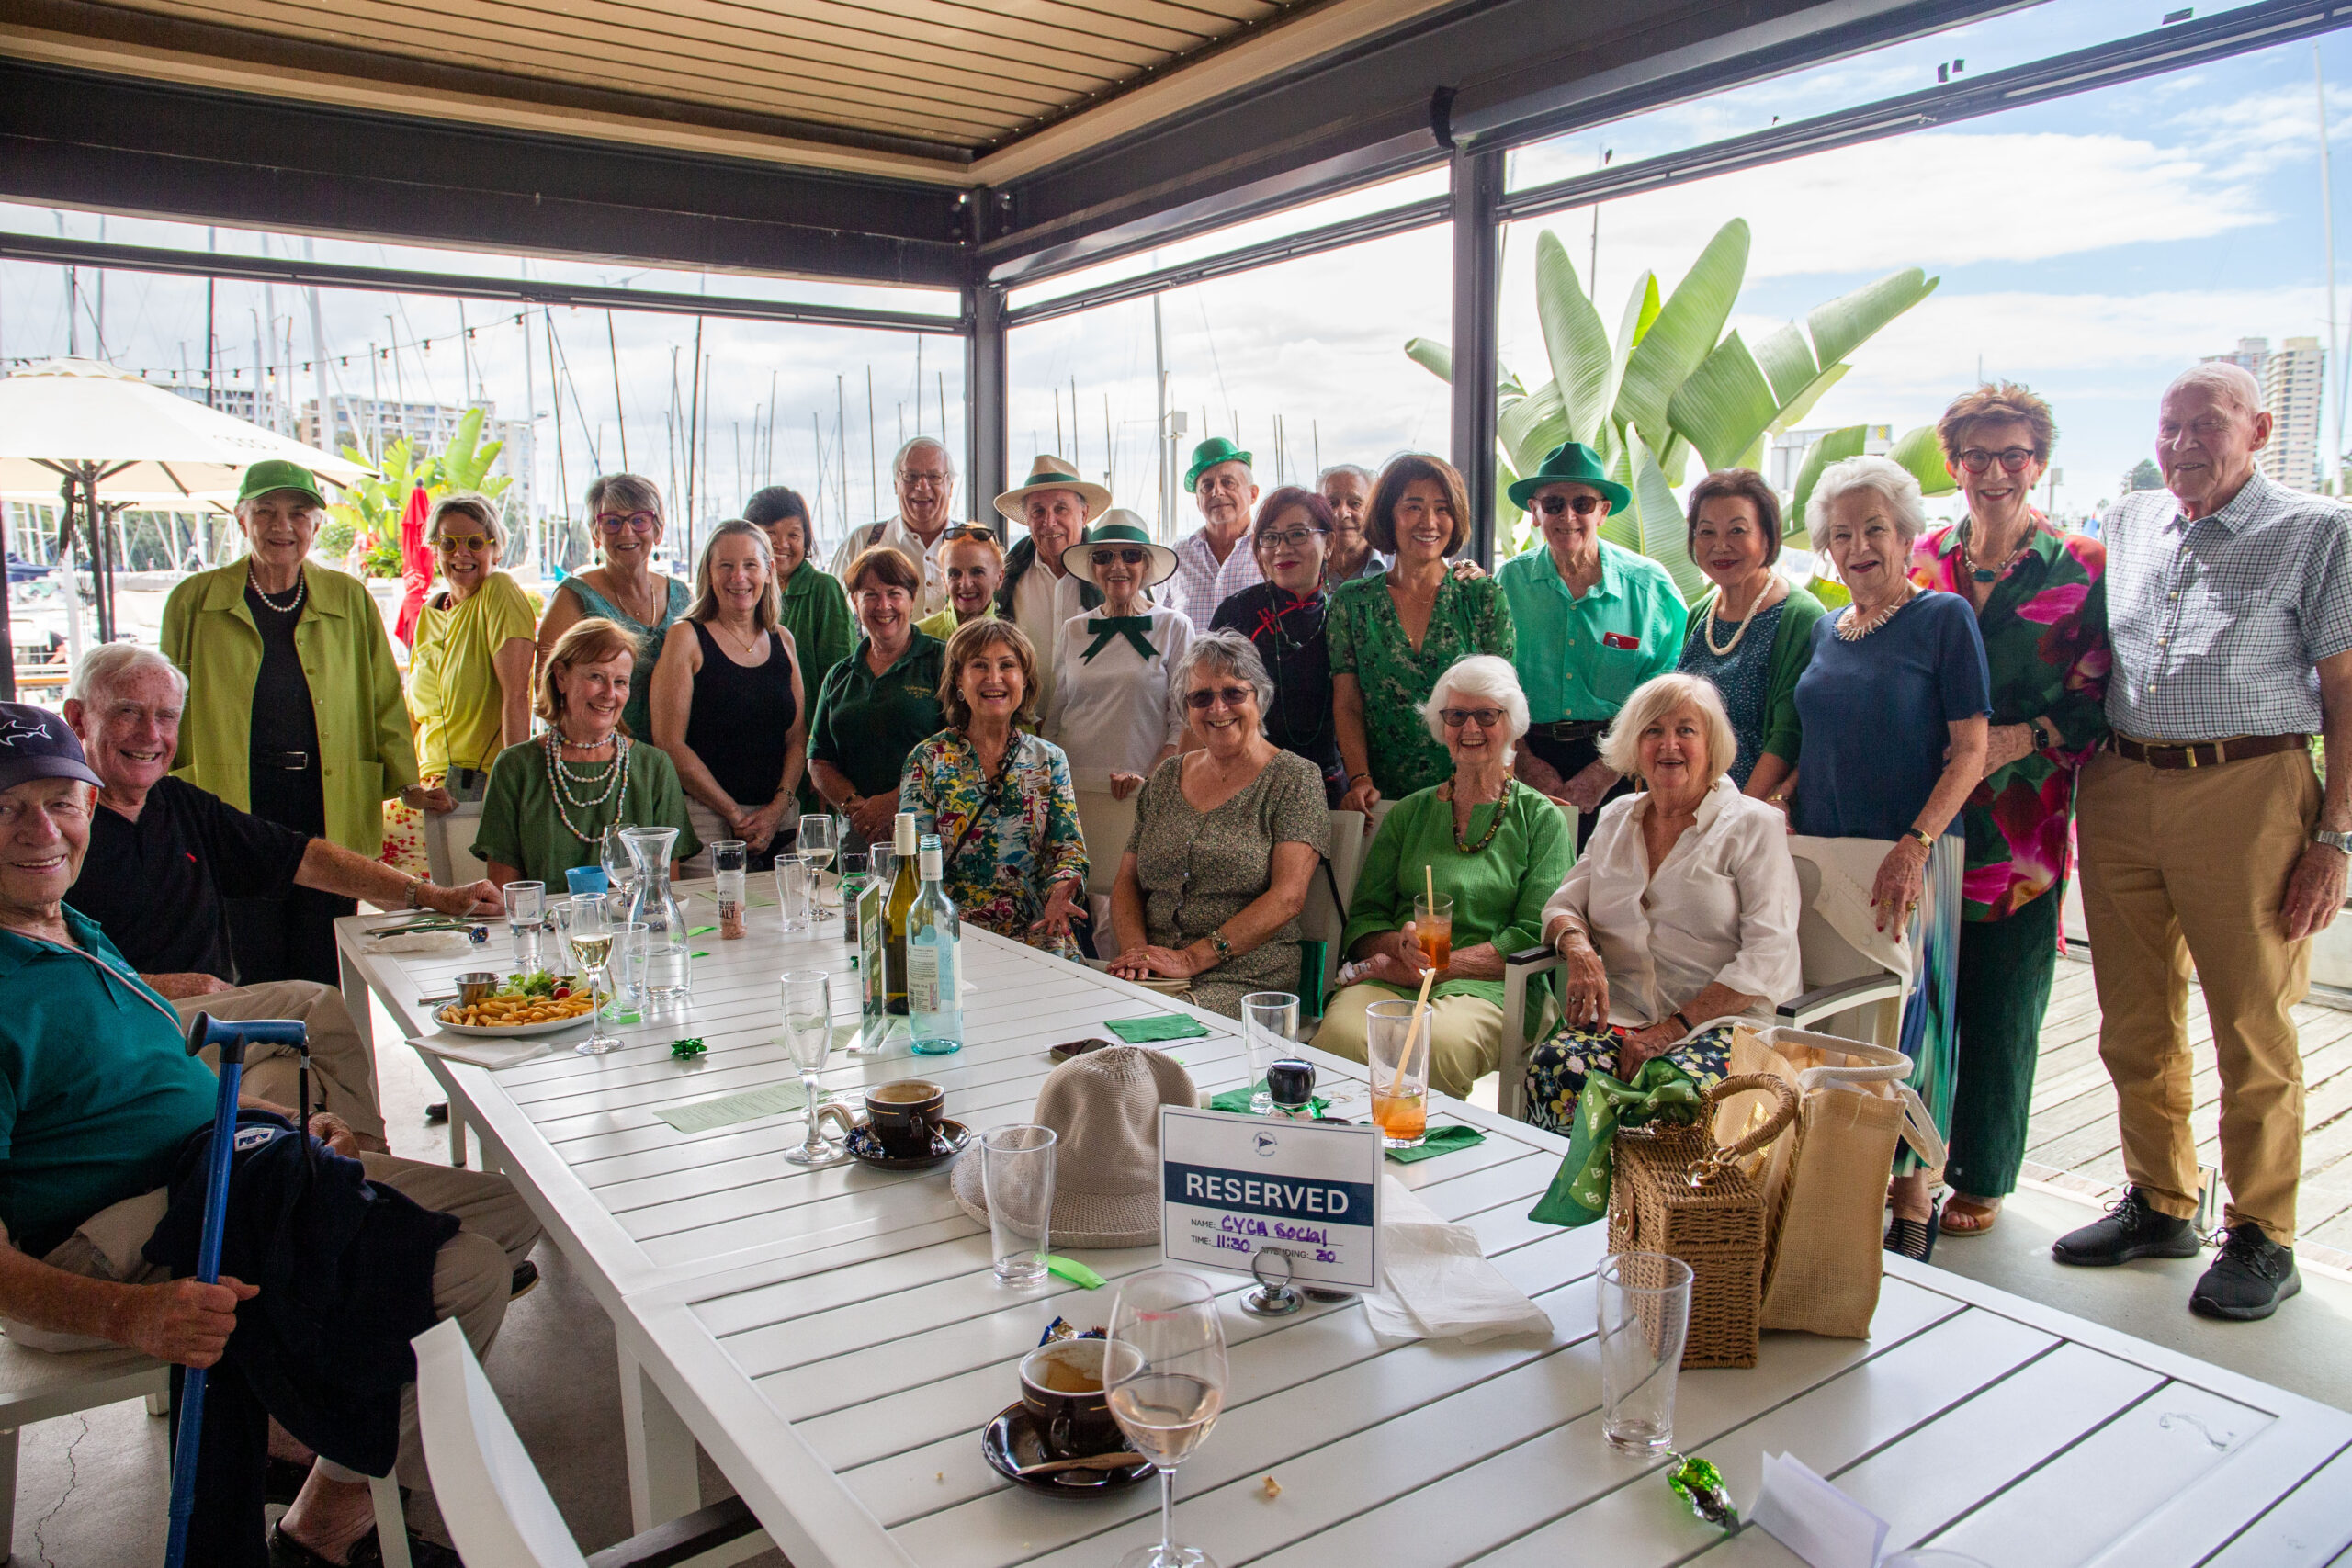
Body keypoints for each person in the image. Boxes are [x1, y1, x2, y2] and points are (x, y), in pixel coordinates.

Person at [0, 710, 541, 1568]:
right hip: (107, 1237)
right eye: (7, 808)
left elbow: (158, 1084)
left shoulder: (68, 927)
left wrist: (289, 1126)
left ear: (89, 809)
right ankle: (325, 1527)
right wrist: (133, 1315)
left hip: (222, 1163)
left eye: (60, 802)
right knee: (465, 1274)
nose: (41, 830)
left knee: (509, 1209)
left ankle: (303, 1421)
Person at [2057, 362, 2352, 1321]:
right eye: (2169, 425)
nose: (2183, 444)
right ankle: (2160, 1199)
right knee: (2132, 1016)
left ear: (2258, 430)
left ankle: (2263, 1232)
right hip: (2121, 782)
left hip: (2248, 790)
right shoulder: (2131, 518)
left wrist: (2335, 838)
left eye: (2208, 424)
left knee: (2251, 1023)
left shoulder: (2318, 530)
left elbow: (2346, 696)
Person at [61, 654, 504, 1155]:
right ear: (78, 718)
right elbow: (40, 974)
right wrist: (164, 985)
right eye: (128, 712)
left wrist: (432, 895)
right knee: (315, 1005)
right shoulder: (52, 830)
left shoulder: (178, 803)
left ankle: (336, 1173)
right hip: (126, 1033)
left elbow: (303, 857)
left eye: (166, 716)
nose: (150, 734)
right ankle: (370, 1166)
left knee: (295, 1084)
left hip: (209, 1036)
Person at [1903, 385, 2109, 1239]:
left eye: (2013, 455)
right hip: (1922, 814)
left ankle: (1982, 1174)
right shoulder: (1919, 558)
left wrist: (2021, 736)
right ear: (1953, 465)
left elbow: (2103, 698)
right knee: (1920, 996)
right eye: (1976, 456)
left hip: (2021, 826)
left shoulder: (2083, 565)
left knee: (2002, 1005)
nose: (1994, 472)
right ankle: (1910, 1162)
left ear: (2039, 462)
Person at [1791, 455, 1992, 1261]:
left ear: (1908, 536)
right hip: (1827, 852)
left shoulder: (1944, 618)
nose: (1858, 547)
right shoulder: (1824, 628)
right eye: (1841, 534)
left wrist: (1916, 843)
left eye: (1875, 528)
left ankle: (1914, 1193)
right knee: (1844, 1024)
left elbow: (1971, 750)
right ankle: (1850, 1185)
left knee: (1914, 1027)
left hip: (1909, 854)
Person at [160, 460, 418, 987]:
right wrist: (159, 787)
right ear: (241, 519)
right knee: (247, 955)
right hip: (232, 797)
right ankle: (265, 1043)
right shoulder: (195, 599)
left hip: (328, 796)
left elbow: (384, 696)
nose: (282, 526)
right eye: (265, 512)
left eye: (298, 513)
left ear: (316, 525)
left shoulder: (349, 597)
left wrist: (407, 781)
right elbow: (166, 704)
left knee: (330, 955)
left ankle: (327, 1044)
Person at [1527, 674, 1802, 1134]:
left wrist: (1672, 1030)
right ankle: (1562, 1182)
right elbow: (1563, 905)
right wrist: (1579, 951)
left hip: (1725, 1027)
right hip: (1627, 1017)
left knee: (1672, 1094)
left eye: (1686, 731)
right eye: (1653, 730)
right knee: (1557, 1065)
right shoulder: (1617, 817)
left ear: (1711, 745)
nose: (1668, 745)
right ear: (1634, 746)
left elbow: (1768, 955)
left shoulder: (1753, 826)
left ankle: (1653, 1188)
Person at [1314, 656, 1573, 1098]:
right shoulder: (1409, 813)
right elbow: (1366, 919)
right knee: (1341, 1035)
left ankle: (1429, 1141)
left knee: (1437, 1046)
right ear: (1442, 725)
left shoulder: (1541, 819)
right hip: (1396, 972)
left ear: (1511, 724)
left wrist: (1435, 971)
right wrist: (1399, 947)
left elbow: (1532, 934)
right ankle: (1353, 1139)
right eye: (1456, 716)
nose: (1470, 728)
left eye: (1486, 715)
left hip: (1491, 987)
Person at [1110, 631, 1329, 1018]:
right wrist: (1137, 955)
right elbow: (1127, 881)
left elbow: (1288, 897)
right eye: (1201, 697)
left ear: (1259, 697)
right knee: (1079, 1011)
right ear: (1187, 709)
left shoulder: (1295, 779)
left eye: (1233, 693)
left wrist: (1190, 960)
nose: (1217, 708)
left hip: (1247, 979)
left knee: (1147, 1024)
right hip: (1157, 975)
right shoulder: (1166, 778)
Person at [1498, 442, 1689, 846]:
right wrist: (1524, 762)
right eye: (1553, 504)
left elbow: (1665, 692)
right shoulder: (1507, 584)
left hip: (1623, 760)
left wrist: (1607, 771)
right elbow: (1491, 682)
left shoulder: (1650, 588)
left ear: (1602, 512)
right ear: (1534, 511)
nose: (1567, 516)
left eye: (1582, 503)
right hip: (1528, 754)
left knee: (1619, 877)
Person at [1331, 454, 1515, 814]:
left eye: (1442, 508)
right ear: (1388, 514)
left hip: (1470, 794)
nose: (1429, 522)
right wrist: (1359, 779)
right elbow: (1348, 703)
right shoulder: (1352, 602)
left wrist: (1499, 792)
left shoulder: (1482, 596)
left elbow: (1505, 707)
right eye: (1413, 507)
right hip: (1381, 800)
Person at [897, 620, 1088, 958]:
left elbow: (1068, 850)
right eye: (980, 666)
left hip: (1037, 930)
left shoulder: (1049, 760)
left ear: (1024, 680)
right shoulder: (927, 759)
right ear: (959, 680)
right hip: (952, 932)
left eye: (1007, 665)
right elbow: (911, 861)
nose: (994, 678)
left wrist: (1061, 890)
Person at [474, 618, 699, 887]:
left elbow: (664, 890)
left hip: (633, 915)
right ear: (561, 677)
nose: (609, 694)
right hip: (546, 916)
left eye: (620, 682)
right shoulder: (515, 766)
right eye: (596, 677)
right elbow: (507, 894)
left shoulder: (654, 766)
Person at [387, 491, 538, 877]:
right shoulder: (430, 612)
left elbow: (516, 696)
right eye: (448, 543)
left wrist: (514, 790)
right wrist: (407, 784)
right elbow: (413, 714)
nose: (461, 553)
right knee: (360, 849)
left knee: (409, 882)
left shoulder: (498, 592)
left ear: (496, 548)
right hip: (426, 788)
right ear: (434, 549)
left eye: (474, 542)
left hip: (475, 787)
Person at [650, 520, 807, 871]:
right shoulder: (686, 637)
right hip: (707, 823)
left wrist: (776, 810)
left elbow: (797, 736)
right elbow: (669, 742)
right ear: (709, 572)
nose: (739, 577)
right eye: (726, 565)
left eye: (750, 564)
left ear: (768, 571)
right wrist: (733, 813)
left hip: (780, 822)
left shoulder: (783, 639)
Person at [1675, 469, 1826, 796]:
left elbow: (1788, 735)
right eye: (1706, 532)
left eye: (1737, 530)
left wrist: (1740, 812)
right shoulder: (1701, 612)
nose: (1720, 545)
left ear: (1767, 537)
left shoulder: (1800, 616)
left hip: (1756, 806)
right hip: (1694, 804)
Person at [1044, 512, 1195, 801]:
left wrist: (1153, 779)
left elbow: (1184, 720)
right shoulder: (1072, 629)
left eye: (1130, 556)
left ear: (1146, 565)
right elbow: (1055, 718)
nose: (1117, 566)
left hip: (1143, 784)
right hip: (1074, 784)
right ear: (1093, 568)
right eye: (1104, 557)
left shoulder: (1174, 626)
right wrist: (1052, 784)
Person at [807, 547, 948, 850]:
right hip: (858, 832)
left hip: (929, 831)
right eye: (870, 595)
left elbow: (960, 749)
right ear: (854, 601)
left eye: (894, 593)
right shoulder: (839, 675)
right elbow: (818, 760)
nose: (883, 605)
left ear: (912, 598)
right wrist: (857, 808)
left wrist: (892, 804)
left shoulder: (943, 661)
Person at [535, 472, 692, 745]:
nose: (626, 532)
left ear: (657, 531)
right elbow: (547, 691)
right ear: (596, 534)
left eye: (639, 520)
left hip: (676, 753)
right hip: (601, 755)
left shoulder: (681, 595)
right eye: (612, 522)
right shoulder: (573, 597)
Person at [1211, 486, 1346, 802]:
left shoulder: (1345, 613)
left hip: (1329, 787)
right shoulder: (1237, 613)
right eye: (1270, 537)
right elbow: (1208, 705)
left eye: (1298, 534)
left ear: (1329, 543)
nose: (1282, 549)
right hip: (1248, 784)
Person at [747, 484, 855, 820]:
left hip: (808, 760)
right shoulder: (746, 593)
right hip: (757, 759)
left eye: (793, 534)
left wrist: (823, 763)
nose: (781, 544)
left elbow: (838, 683)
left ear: (806, 540)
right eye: (770, 534)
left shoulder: (823, 589)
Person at [993, 455, 1110, 720]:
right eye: (1038, 511)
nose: (1049, 522)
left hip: (1096, 728)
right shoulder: (1007, 579)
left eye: (1060, 509)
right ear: (1027, 519)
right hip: (1023, 728)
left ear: (1083, 514)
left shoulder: (1114, 574)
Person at [826, 435, 958, 615]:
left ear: (950, 486)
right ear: (896, 485)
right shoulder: (860, 542)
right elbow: (828, 611)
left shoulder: (976, 544)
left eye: (934, 476)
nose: (922, 486)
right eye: (911, 476)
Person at [1165, 437, 1264, 623]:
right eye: (1207, 486)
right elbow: (1161, 624)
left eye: (1228, 483)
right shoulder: (1178, 556)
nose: (1217, 491)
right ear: (1198, 501)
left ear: (1253, 494)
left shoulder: (1269, 549)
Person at [915, 525, 1007, 641]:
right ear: (944, 579)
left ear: (999, 577)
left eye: (977, 572)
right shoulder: (917, 639)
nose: (965, 584)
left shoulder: (1010, 643)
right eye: (954, 574)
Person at [1319, 463, 1387, 584]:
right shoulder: (1304, 571)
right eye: (1332, 503)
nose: (1342, 514)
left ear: (1373, 510)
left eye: (1355, 504)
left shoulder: (1396, 568)